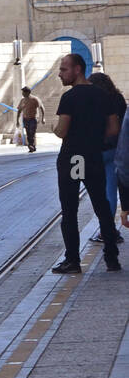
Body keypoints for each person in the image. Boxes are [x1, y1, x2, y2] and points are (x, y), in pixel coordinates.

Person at [52, 53, 119, 274]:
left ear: (77, 69)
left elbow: (62, 131)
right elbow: (113, 129)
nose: (60, 74)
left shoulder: (70, 98)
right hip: (92, 156)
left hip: (73, 158)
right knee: (101, 206)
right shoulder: (104, 96)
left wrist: (56, 128)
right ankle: (112, 258)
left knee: (69, 210)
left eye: (64, 69)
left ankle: (72, 260)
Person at [88, 72, 126, 244]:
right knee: (111, 190)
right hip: (115, 149)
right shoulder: (117, 98)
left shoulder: (91, 99)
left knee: (99, 192)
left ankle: (105, 230)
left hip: (95, 150)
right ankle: (108, 230)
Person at [18, 86, 44, 153]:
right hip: (25, 119)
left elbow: (41, 108)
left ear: (28, 92)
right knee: (28, 133)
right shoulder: (22, 100)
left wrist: (43, 118)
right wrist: (17, 120)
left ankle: (31, 145)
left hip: (33, 119)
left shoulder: (35, 99)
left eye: (23, 92)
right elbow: (19, 110)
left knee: (32, 132)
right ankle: (32, 146)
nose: (22, 93)